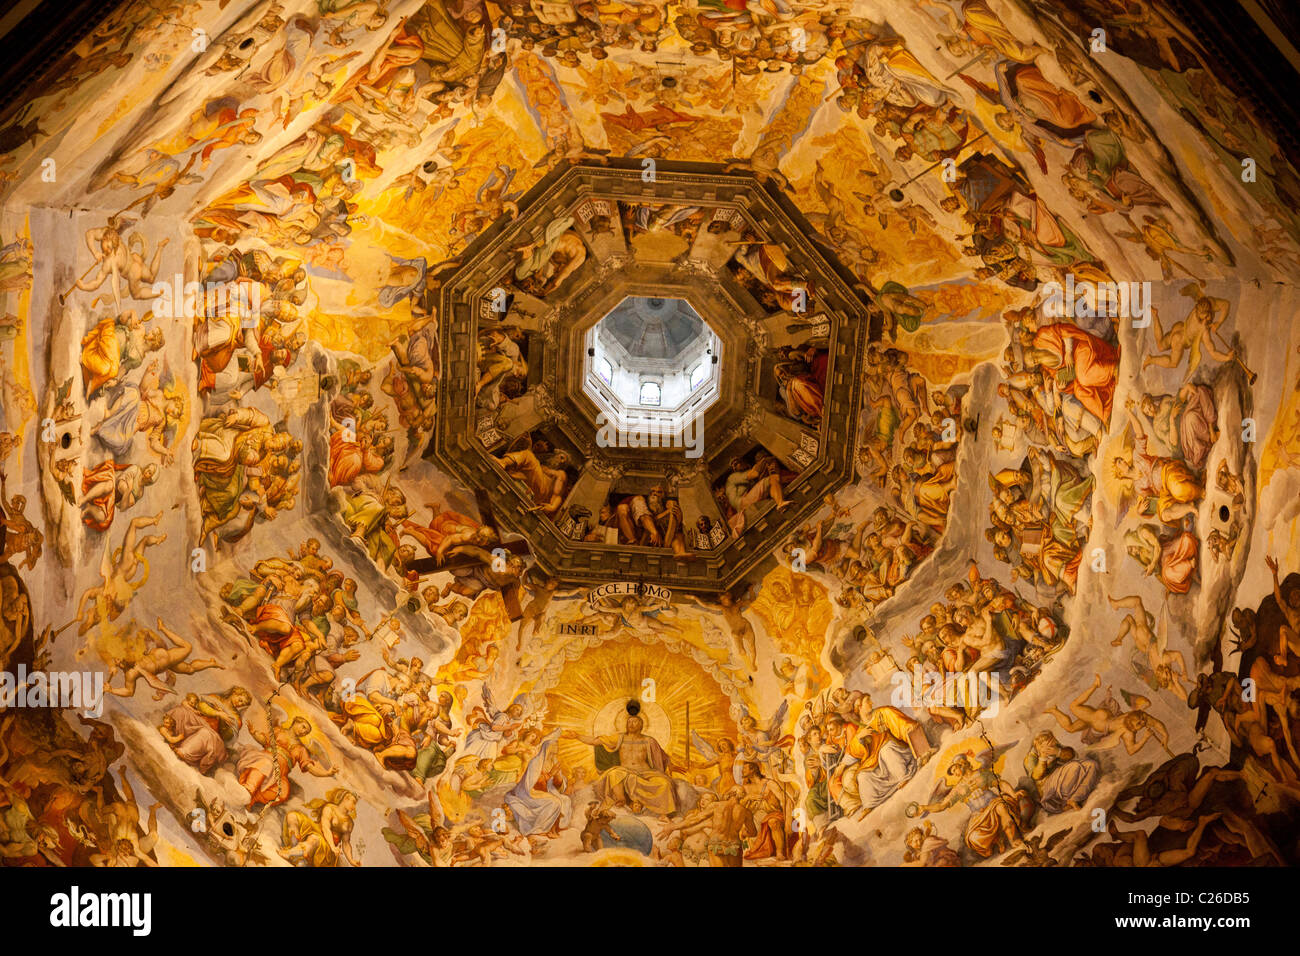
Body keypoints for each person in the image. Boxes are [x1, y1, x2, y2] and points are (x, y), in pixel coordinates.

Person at [562, 713, 681, 817]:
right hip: (626, 771)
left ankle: (664, 814)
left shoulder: (649, 740)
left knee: (664, 783)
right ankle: (620, 798)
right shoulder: (619, 738)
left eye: (635, 721)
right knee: (614, 773)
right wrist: (577, 736)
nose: (631, 724)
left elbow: (662, 755)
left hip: (646, 773)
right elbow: (595, 741)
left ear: (641, 725)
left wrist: (671, 765)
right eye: (629, 721)